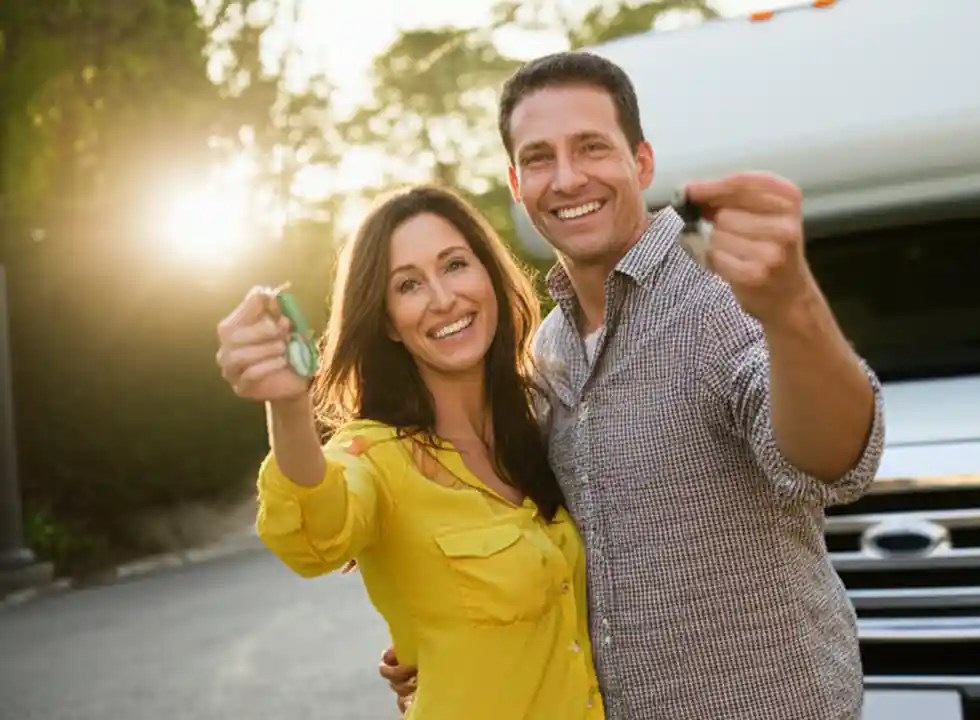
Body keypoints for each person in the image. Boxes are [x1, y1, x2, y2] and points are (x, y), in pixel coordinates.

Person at [379, 51, 886, 719]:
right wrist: (451, 638)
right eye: (538, 158)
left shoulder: (719, 300)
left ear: (641, 163)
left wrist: (793, 308)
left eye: (591, 147)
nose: (565, 178)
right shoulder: (547, 348)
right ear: (515, 183)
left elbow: (833, 462)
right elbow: (539, 551)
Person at [214, 185, 605, 719]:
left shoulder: (542, 424)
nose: (443, 298)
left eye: (455, 265)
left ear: (489, 274)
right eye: (409, 285)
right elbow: (313, 531)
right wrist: (287, 406)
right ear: (386, 322)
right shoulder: (375, 456)